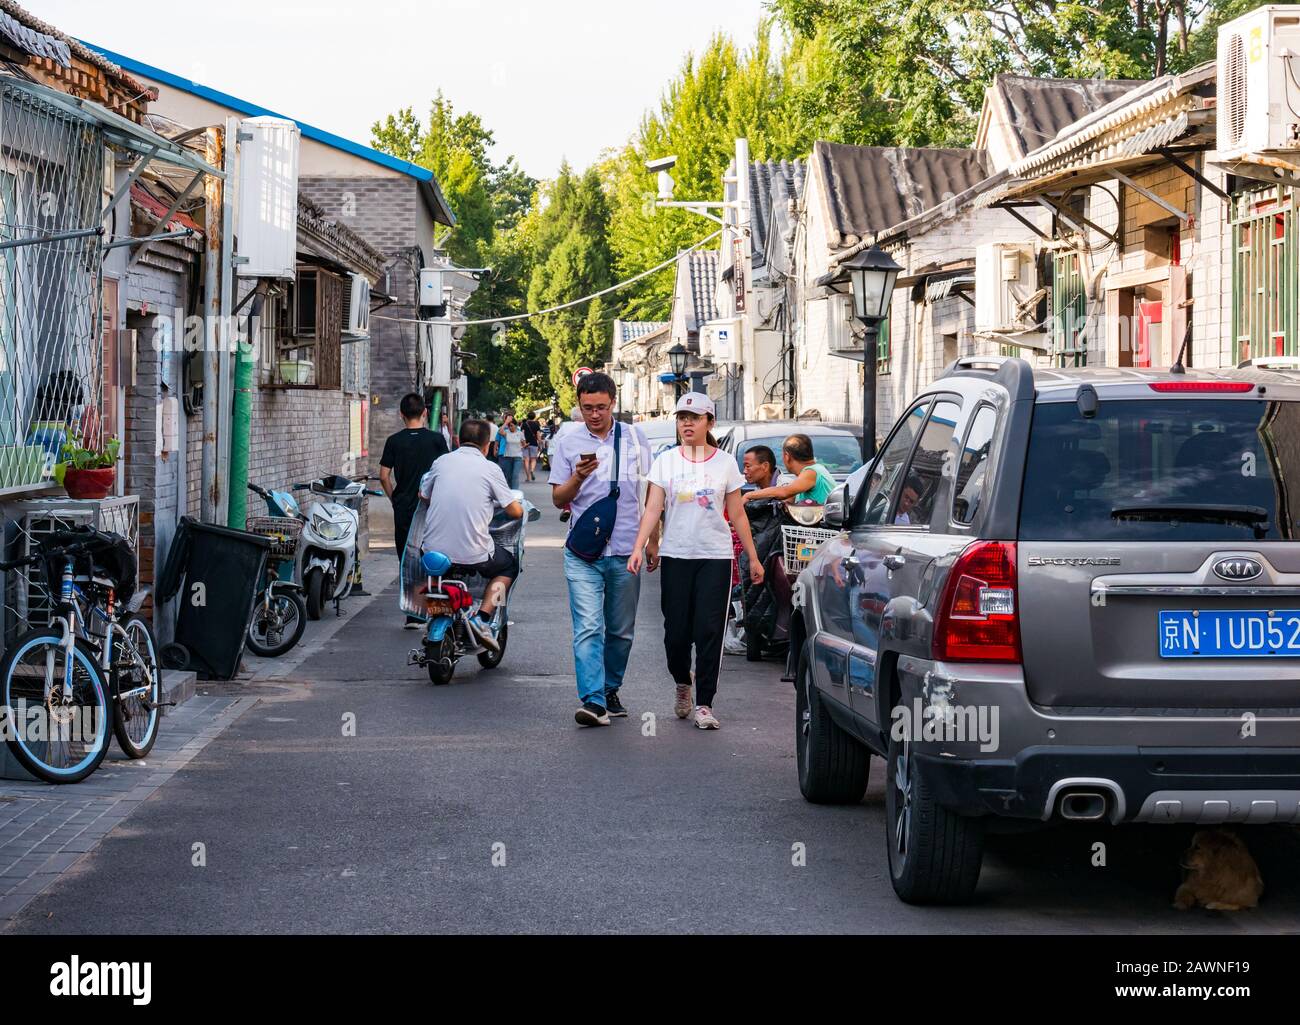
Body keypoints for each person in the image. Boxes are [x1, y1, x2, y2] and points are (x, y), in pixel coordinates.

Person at [628, 393, 764, 731]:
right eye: (682, 416)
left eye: (695, 417)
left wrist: (753, 556)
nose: (687, 422)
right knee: (675, 634)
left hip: (714, 556)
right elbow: (653, 509)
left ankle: (705, 702)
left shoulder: (725, 463)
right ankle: (682, 681)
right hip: (676, 555)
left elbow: (736, 513)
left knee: (709, 631)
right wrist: (639, 546)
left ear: (709, 423)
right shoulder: (666, 462)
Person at [551, 373, 655, 728]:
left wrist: (651, 540)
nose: (594, 415)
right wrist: (578, 477)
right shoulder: (567, 440)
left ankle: (611, 689)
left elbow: (650, 495)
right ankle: (593, 701)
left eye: (601, 407)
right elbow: (557, 499)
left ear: (613, 402)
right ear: (579, 405)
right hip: (584, 553)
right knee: (588, 627)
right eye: (587, 408)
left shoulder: (635, 437)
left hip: (627, 549)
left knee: (621, 630)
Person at [417, 419, 523, 652]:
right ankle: (483, 618)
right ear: (487, 445)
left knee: (444, 566)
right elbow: (515, 511)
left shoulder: (441, 462)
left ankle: (438, 614)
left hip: (431, 552)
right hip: (474, 553)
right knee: (509, 567)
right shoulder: (490, 468)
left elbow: (423, 495)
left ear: (457, 440)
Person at [380, 394, 449, 628]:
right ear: (425, 413)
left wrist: (394, 497)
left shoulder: (393, 441)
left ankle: (413, 614)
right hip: (430, 507)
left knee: (407, 558)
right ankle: (437, 609)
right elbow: (445, 471)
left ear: (401, 414)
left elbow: (384, 476)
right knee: (434, 555)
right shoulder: (437, 440)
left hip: (403, 507)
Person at [743, 433, 836, 506]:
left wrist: (749, 495)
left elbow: (784, 492)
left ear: (787, 456)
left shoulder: (811, 472)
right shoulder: (815, 470)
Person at [499, 414, 525, 489]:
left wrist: (522, 446)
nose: (510, 427)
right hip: (508, 457)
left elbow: (523, 444)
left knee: (515, 475)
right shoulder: (506, 432)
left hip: (517, 457)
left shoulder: (520, 433)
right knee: (509, 476)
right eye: (509, 426)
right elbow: (500, 431)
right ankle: (510, 492)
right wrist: (506, 422)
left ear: (516, 425)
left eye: (512, 425)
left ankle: (515, 492)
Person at [522, 413, 542, 483]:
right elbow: (538, 435)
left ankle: (528, 477)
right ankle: (532, 470)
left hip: (525, 444)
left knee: (526, 460)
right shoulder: (536, 424)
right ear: (534, 417)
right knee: (533, 459)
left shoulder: (524, 424)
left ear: (527, 416)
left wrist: (523, 443)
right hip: (534, 443)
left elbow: (522, 434)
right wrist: (539, 443)